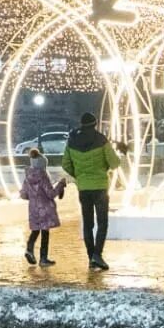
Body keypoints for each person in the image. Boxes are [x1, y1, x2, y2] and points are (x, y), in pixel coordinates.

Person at [61, 112, 122, 271]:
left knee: (87, 224)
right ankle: (97, 255)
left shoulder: (72, 141)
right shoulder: (101, 140)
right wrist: (105, 167)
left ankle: (91, 257)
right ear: (95, 124)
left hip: (84, 189)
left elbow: (65, 164)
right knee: (102, 223)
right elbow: (115, 163)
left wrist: (79, 175)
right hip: (100, 187)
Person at [19, 148, 66, 266]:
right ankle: (43, 259)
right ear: (43, 165)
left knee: (35, 231)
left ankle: (29, 249)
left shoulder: (27, 177)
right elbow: (51, 194)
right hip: (45, 208)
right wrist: (60, 185)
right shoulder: (43, 176)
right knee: (45, 232)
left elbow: (24, 195)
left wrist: (34, 197)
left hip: (33, 209)